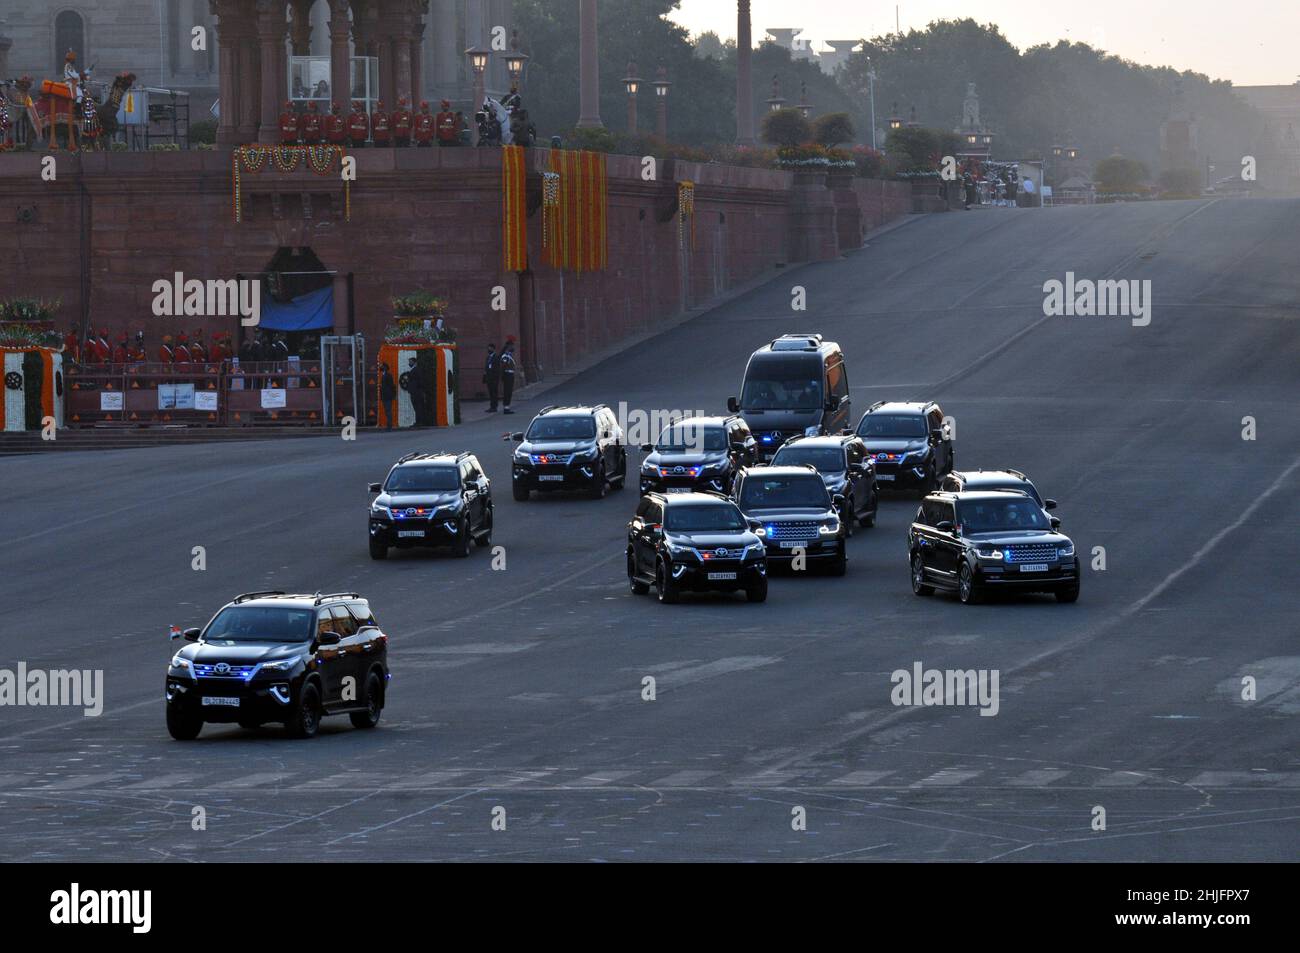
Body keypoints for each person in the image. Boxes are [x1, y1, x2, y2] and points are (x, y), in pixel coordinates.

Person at [499, 337, 517, 415]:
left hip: (510, 375)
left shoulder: (509, 356)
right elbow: (503, 367)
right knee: (507, 391)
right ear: (508, 347)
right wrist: (503, 376)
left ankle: (507, 407)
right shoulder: (505, 356)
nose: (513, 347)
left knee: (509, 391)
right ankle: (506, 408)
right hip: (507, 375)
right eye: (511, 346)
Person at [379, 363, 397, 430]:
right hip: (384, 395)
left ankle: (389, 426)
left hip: (387, 395)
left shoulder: (388, 375)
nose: (381, 367)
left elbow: (391, 385)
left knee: (388, 411)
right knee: (387, 411)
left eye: (382, 366)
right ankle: (389, 425)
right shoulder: (383, 375)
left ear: (385, 367)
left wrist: (393, 395)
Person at [483, 342, 499, 412]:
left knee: (494, 393)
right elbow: (487, 367)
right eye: (488, 348)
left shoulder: (496, 357)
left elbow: (497, 369)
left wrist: (496, 378)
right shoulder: (488, 357)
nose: (488, 349)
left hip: (494, 379)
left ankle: (494, 407)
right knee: (491, 393)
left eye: (490, 348)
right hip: (489, 379)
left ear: (493, 349)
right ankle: (491, 406)